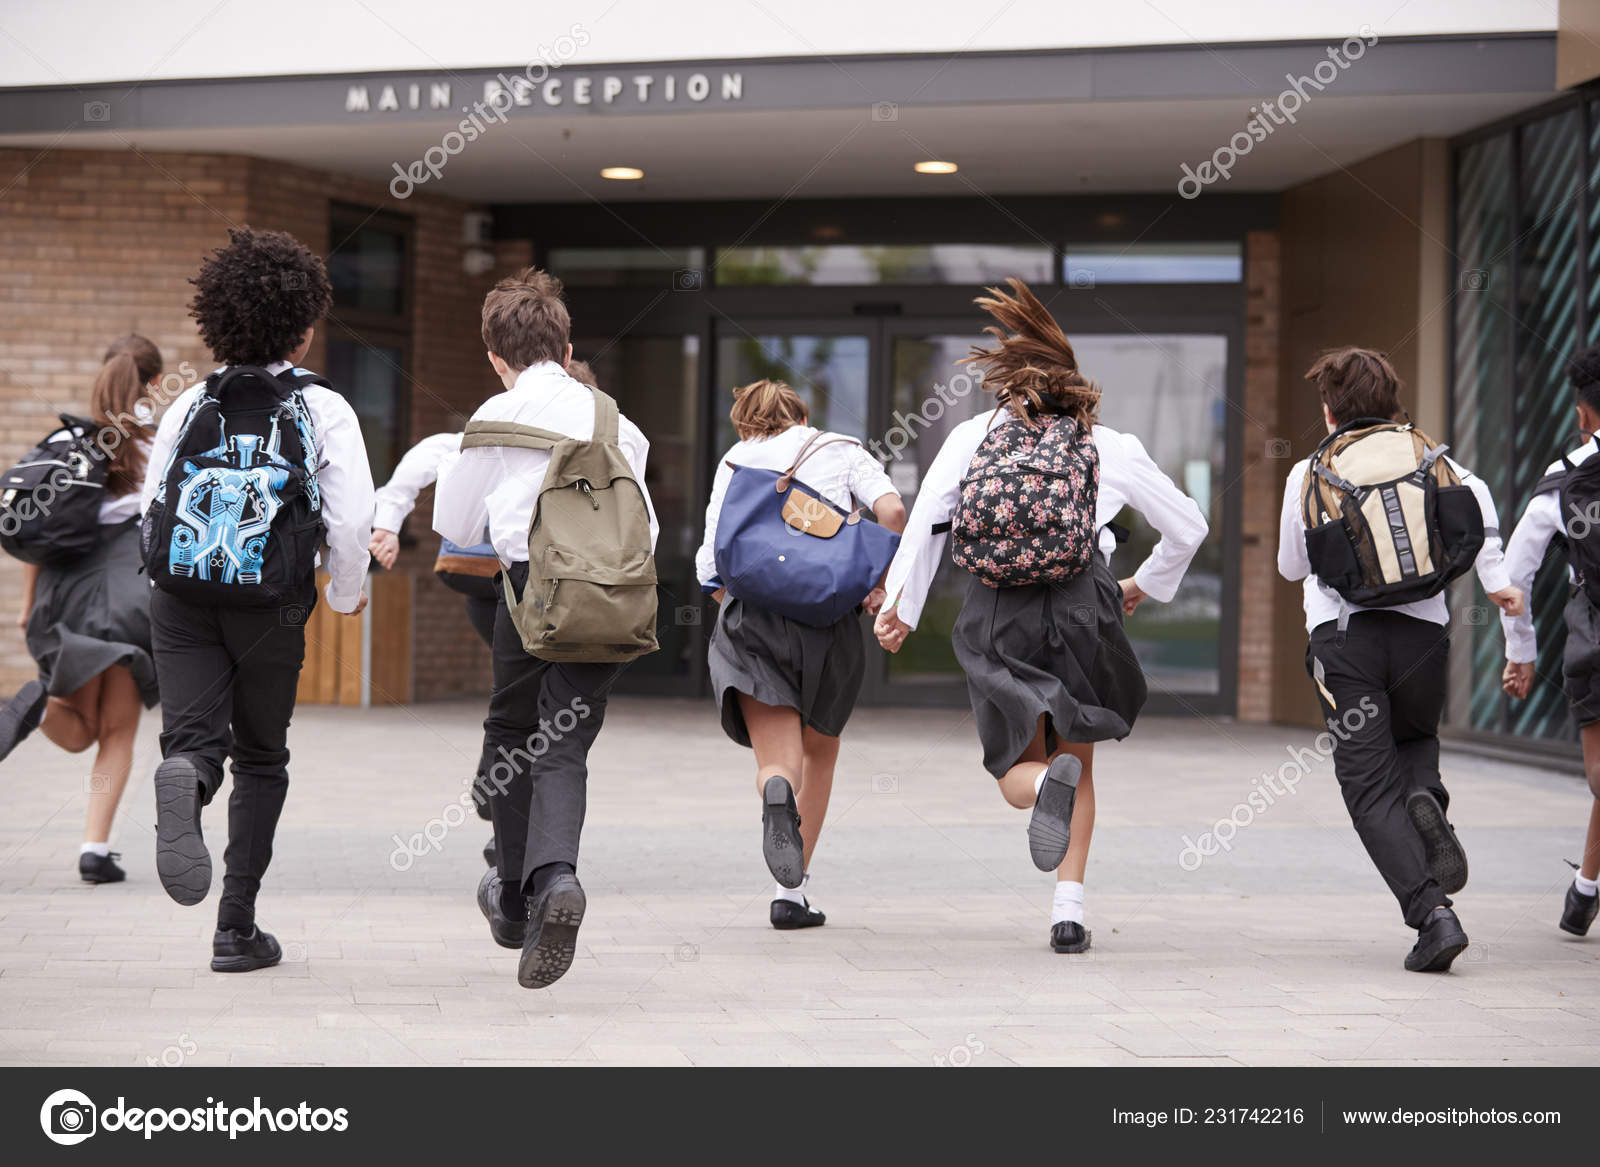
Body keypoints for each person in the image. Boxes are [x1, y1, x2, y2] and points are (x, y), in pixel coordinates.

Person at [874, 279, 1206, 954]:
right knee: (1076, 756)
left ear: (1009, 382)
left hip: (999, 611)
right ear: (1072, 380)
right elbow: (1190, 527)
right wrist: (1143, 582)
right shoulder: (1110, 444)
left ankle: (1037, 784)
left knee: (1013, 772)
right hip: (1084, 600)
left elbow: (929, 524)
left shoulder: (975, 434)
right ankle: (1070, 913)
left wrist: (900, 606)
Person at [143, 226, 374, 973]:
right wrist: (344, 594)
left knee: (193, 737)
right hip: (268, 600)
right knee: (263, 756)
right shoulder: (325, 409)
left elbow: (154, 506)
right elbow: (351, 519)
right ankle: (234, 929)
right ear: (303, 331)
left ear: (218, 322)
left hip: (179, 594)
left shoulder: (189, 405)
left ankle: (189, 774)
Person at [434, 269, 658, 989]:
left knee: (510, 731)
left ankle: (512, 899)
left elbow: (457, 526)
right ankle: (556, 875)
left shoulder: (494, 417)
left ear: (496, 356)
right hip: (609, 595)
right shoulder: (616, 420)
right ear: (566, 347)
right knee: (564, 743)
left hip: (530, 590)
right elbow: (640, 512)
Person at [1277, 347, 1521, 973]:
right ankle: (1429, 803)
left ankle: (1432, 916)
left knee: (1367, 787)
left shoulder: (1310, 472)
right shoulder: (1432, 456)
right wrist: (1495, 582)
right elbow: (1481, 509)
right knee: (1414, 738)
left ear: (1329, 410)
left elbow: (1291, 566)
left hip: (1346, 641)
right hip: (1424, 638)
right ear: (1392, 400)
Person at [368, 362, 601, 869]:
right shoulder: (601, 435)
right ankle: (509, 827)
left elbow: (429, 461)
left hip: (487, 583)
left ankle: (501, 813)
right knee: (540, 720)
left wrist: (388, 523)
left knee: (515, 712)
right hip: (542, 591)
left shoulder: (502, 424)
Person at [695, 379, 906, 929]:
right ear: (802, 416)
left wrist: (736, 597)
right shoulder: (842, 449)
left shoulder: (735, 461)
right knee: (821, 752)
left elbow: (710, 554)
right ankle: (793, 894)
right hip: (828, 620)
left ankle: (775, 790)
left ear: (745, 421)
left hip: (753, 621)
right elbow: (893, 510)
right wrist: (878, 584)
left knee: (777, 761)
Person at [0, 335, 164, 883]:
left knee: (77, 725)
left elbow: (38, 536)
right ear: (155, 384)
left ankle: (34, 706)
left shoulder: (69, 440)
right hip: (127, 601)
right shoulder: (159, 448)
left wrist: (27, 607)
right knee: (114, 732)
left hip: (62, 597)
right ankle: (94, 849)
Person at [1500, 343, 1600, 938]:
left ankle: (1585, 890)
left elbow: (1514, 577)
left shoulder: (1563, 482)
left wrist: (1522, 653)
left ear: (1584, 414)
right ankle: (1585, 889)